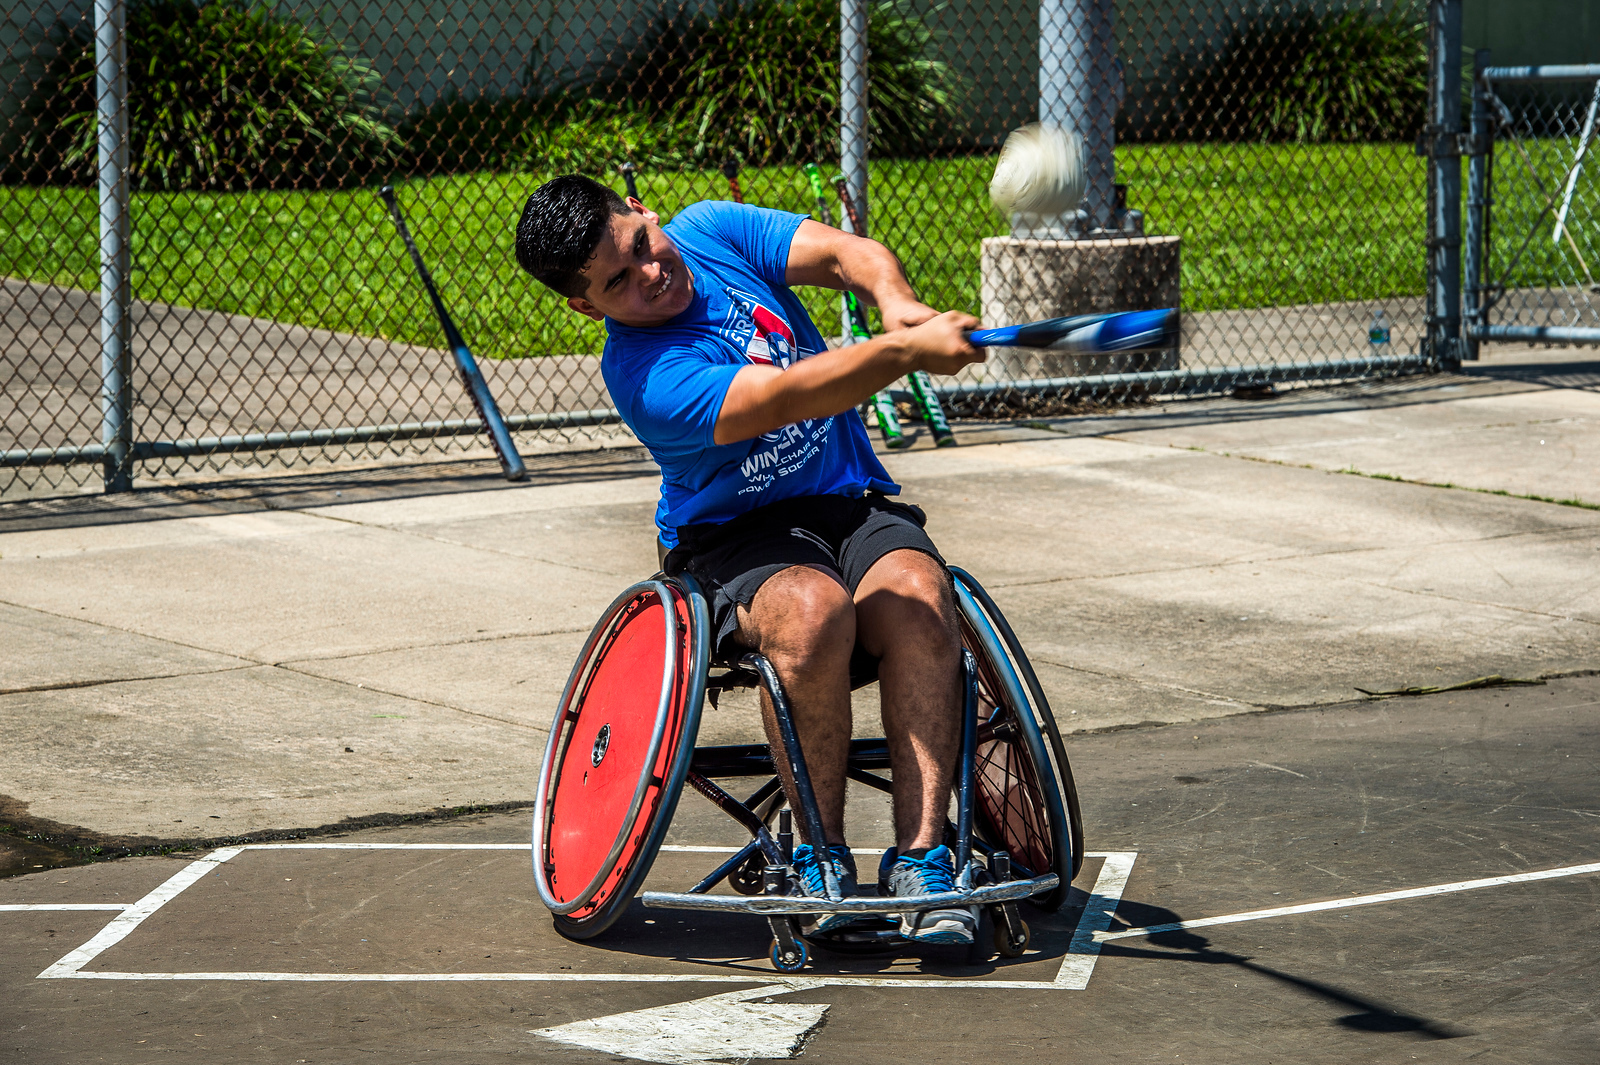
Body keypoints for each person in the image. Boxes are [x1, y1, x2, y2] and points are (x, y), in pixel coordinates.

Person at [514, 175, 985, 943]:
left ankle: (926, 861)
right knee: (812, 608)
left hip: (844, 498)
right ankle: (817, 854)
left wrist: (894, 302)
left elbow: (844, 254)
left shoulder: (712, 229)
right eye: (619, 283)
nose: (650, 275)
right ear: (586, 306)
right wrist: (902, 351)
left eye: (640, 247)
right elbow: (787, 395)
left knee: (920, 591)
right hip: (735, 535)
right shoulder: (645, 376)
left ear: (644, 214)